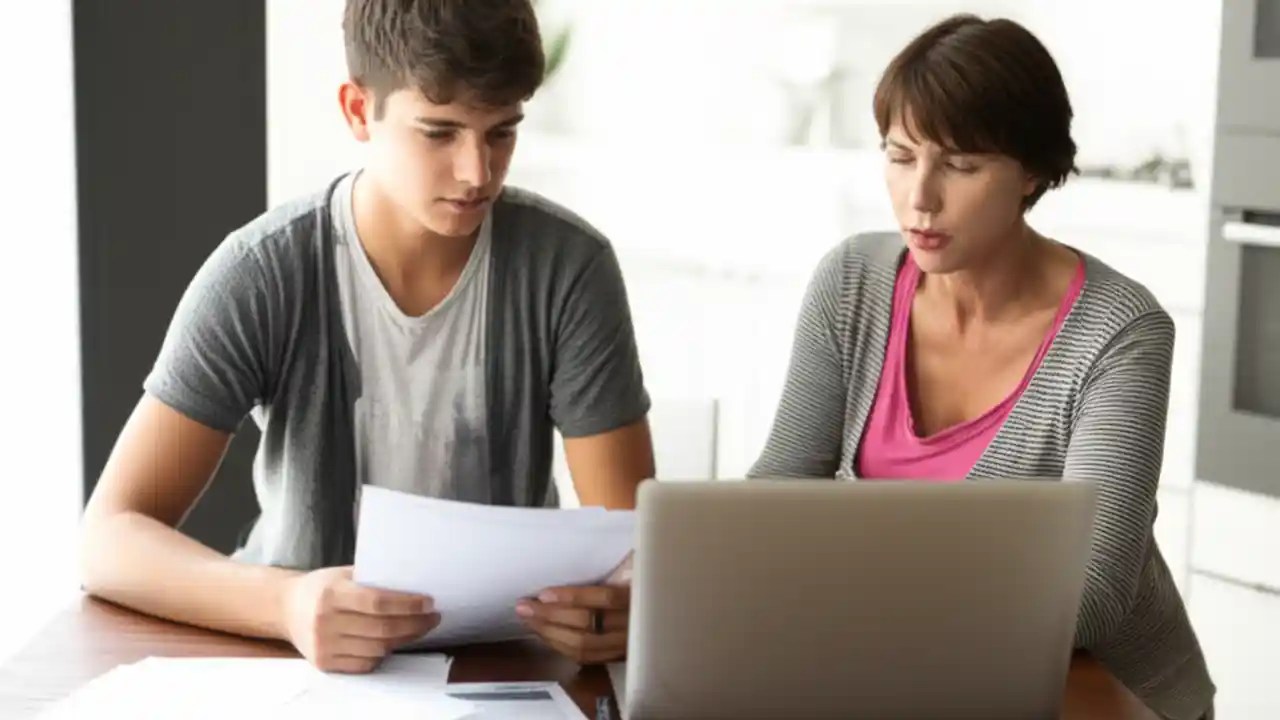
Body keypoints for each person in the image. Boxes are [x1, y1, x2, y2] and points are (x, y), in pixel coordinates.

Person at [79, 0, 653, 673]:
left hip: (502, 665)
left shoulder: (568, 270)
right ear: (358, 111)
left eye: (502, 133)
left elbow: (633, 550)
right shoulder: (264, 272)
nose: (477, 172)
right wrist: (288, 605)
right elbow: (108, 540)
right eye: (439, 133)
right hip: (299, 666)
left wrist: (621, 604)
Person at [749, 14, 1214, 720]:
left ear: (1032, 170)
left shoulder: (1120, 330)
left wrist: (853, 618)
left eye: (961, 165)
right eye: (900, 157)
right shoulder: (853, 282)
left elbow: (1089, 593)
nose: (921, 197)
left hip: (1102, 697)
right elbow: (779, 493)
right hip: (913, 680)